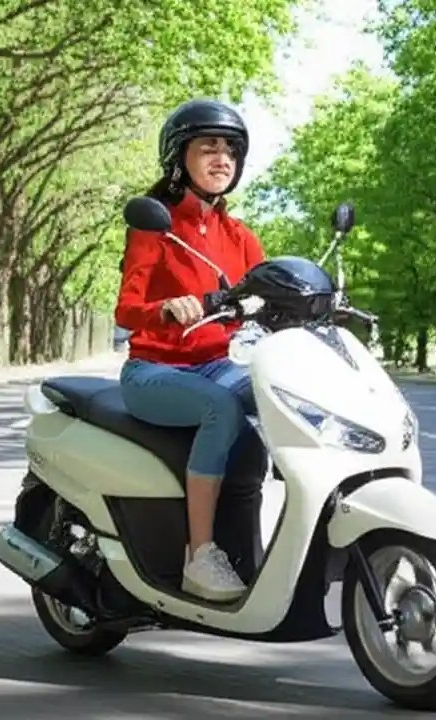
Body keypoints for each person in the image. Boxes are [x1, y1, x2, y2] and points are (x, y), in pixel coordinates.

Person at [114, 99, 266, 603]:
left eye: (230, 151)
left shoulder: (241, 236)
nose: (222, 158)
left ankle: (267, 542)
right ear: (181, 158)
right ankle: (198, 555)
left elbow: (262, 298)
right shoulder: (155, 224)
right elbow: (126, 308)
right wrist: (163, 309)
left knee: (278, 394)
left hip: (220, 363)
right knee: (220, 408)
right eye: (209, 148)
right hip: (154, 370)